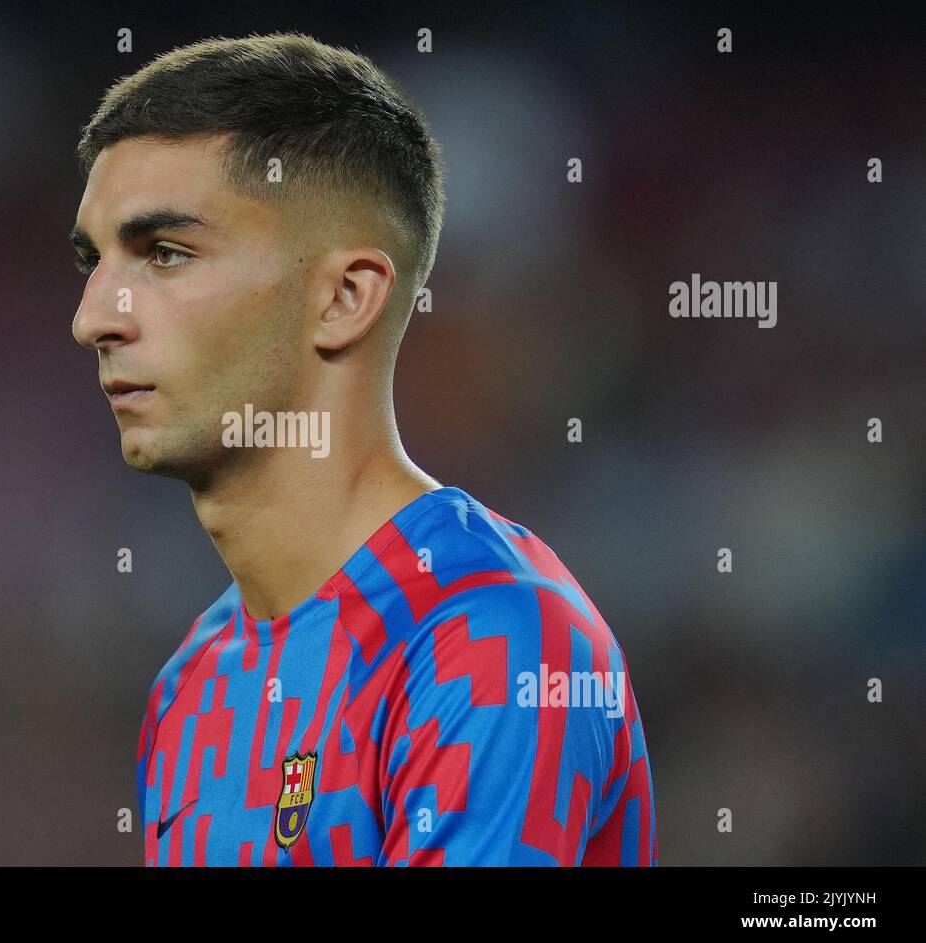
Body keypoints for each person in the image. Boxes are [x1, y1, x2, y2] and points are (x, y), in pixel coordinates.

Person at [70, 32, 656, 865]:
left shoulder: (492, 640)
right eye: (94, 261)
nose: (94, 317)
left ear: (344, 299)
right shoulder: (193, 684)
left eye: (164, 253)